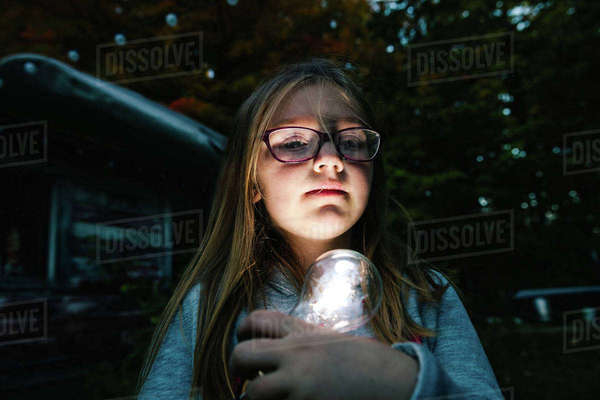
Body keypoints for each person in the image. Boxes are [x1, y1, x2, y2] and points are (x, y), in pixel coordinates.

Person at [136, 58, 504, 400]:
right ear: (251, 185)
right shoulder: (210, 306)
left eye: (351, 142)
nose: (330, 160)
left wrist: (403, 381)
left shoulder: (427, 295)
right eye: (294, 143)